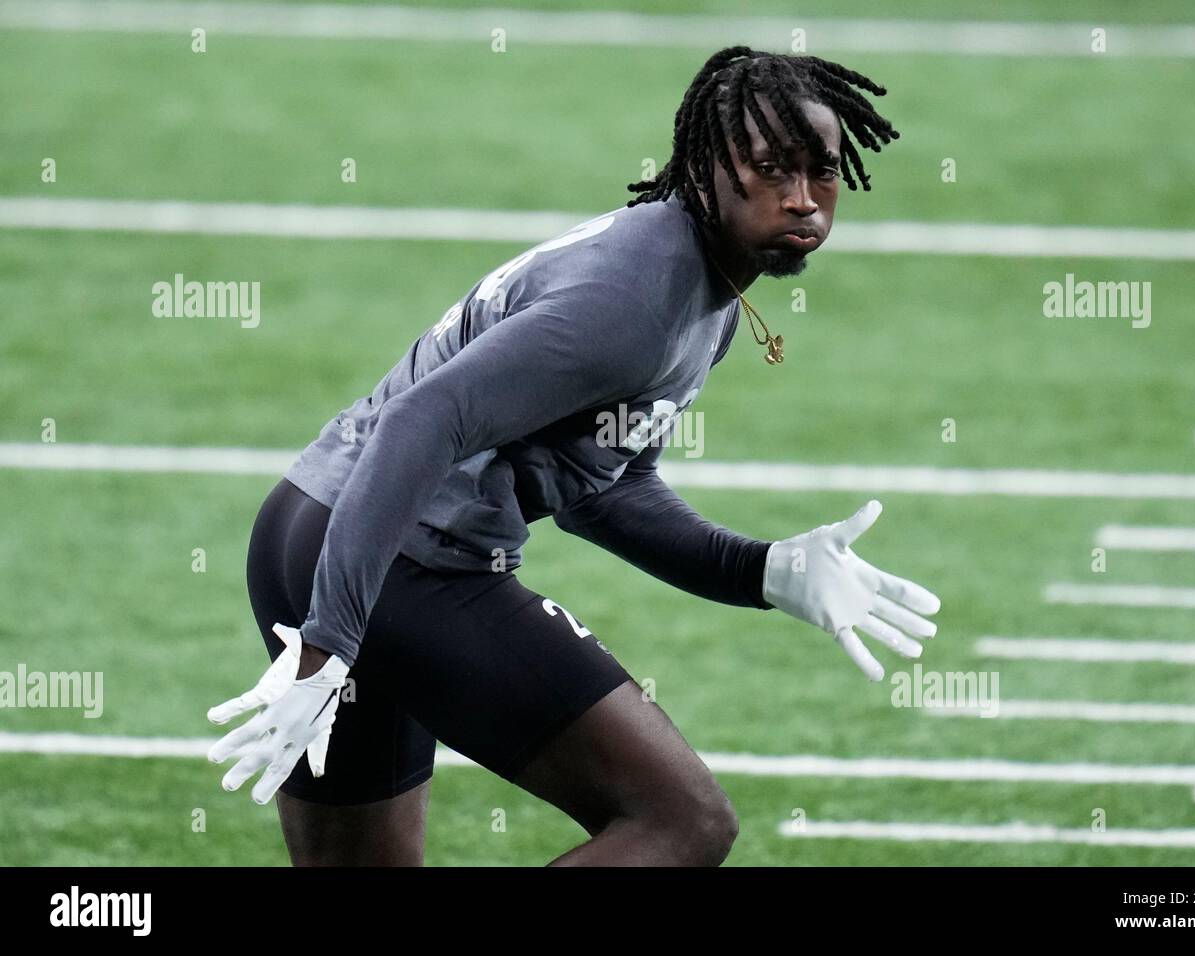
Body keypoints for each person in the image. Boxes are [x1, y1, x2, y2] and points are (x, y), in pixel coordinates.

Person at [207, 46, 940, 866]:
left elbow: (603, 489)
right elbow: (422, 421)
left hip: (316, 529)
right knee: (681, 820)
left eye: (822, 173)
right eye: (771, 170)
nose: (803, 199)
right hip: (394, 562)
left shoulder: (707, 292)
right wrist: (327, 643)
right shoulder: (635, 302)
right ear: (704, 169)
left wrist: (759, 571)